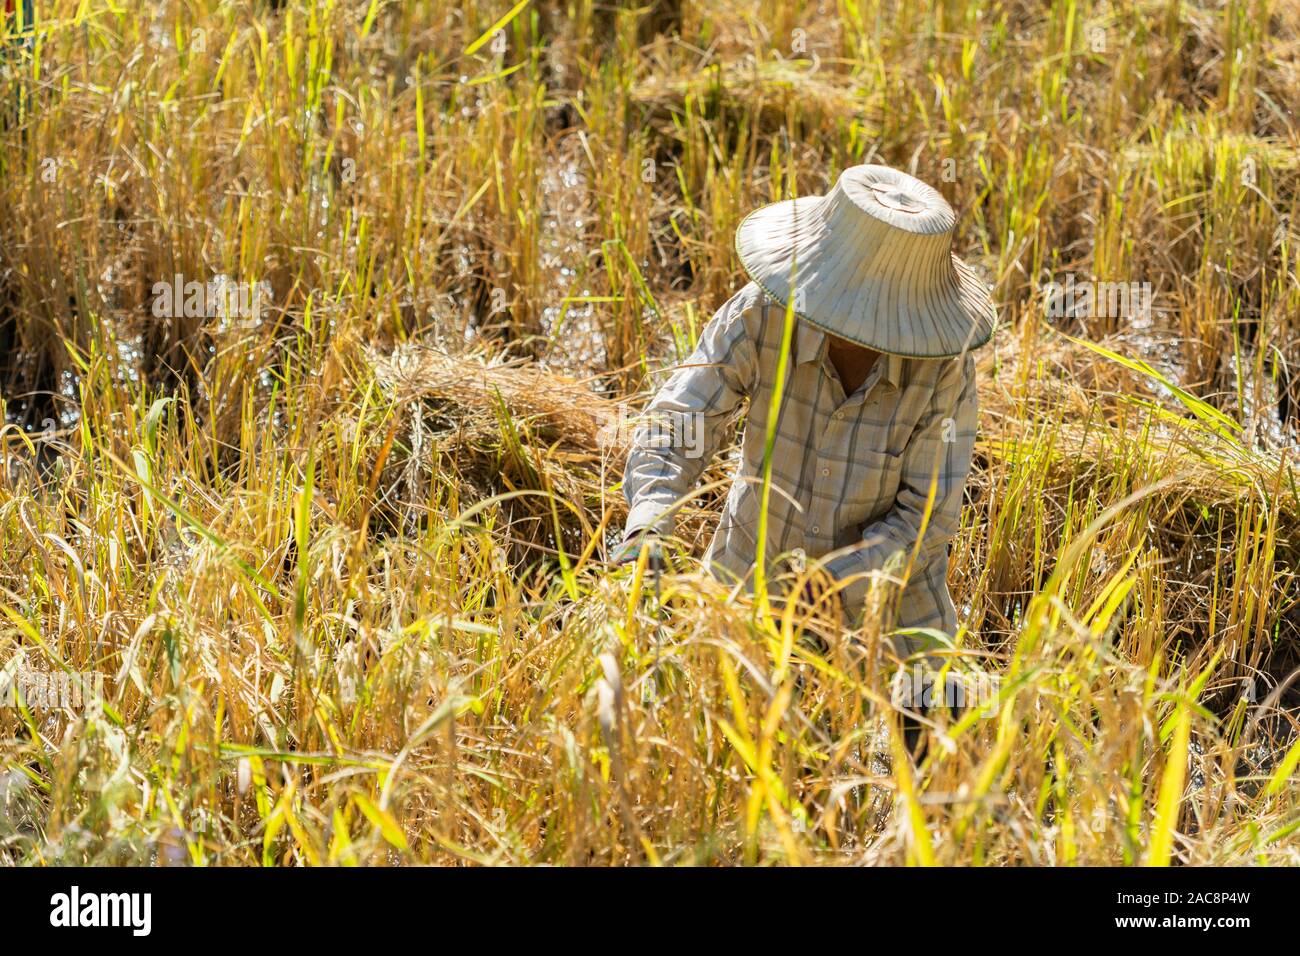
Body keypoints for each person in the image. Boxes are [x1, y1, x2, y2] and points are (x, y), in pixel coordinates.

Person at [615, 163, 996, 687]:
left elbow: (925, 519)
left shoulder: (942, 370)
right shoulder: (762, 317)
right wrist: (653, 511)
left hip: (891, 613)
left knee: (926, 752)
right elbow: (683, 421)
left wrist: (827, 589)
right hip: (750, 585)